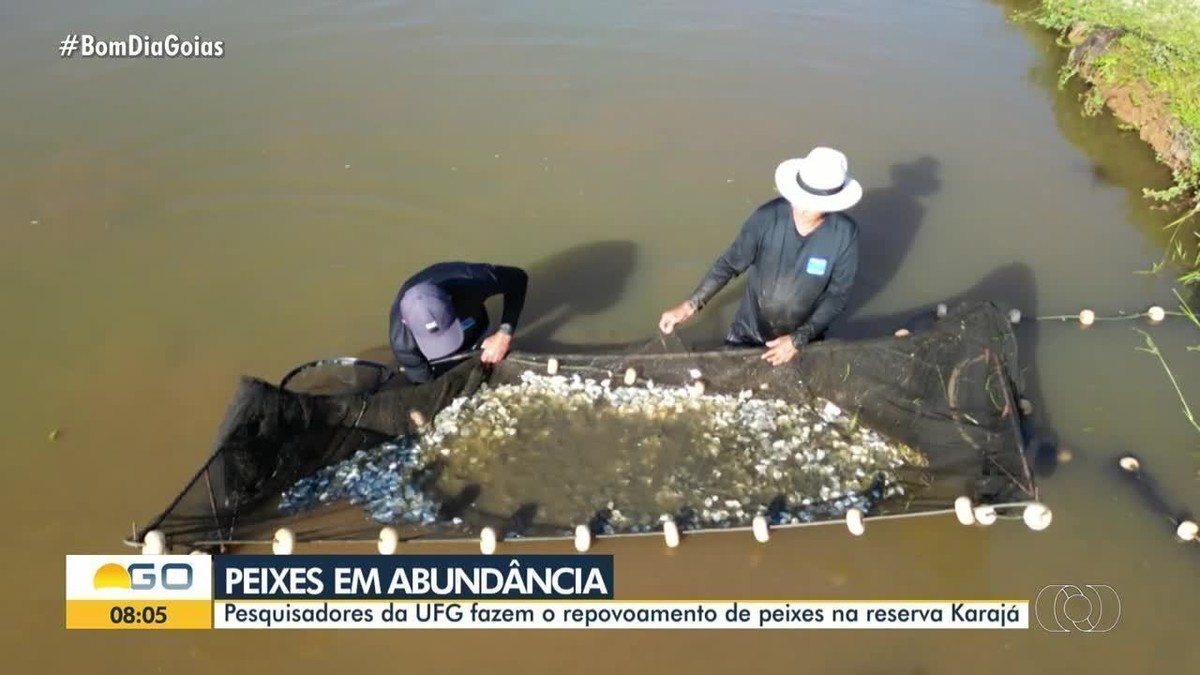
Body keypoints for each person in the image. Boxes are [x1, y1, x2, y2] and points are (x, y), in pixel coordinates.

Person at [658, 146, 862, 366]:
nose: (801, 207)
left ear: (830, 205)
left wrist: (798, 339)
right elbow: (729, 265)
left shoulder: (845, 234)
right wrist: (690, 306)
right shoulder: (766, 219)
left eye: (813, 203)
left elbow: (838, 295)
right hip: (749, 329)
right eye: (799, 197)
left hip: (804, 335)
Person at [389, 261, 529, 384]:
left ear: (449, 299)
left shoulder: (476, 280)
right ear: (404, 322)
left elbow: (519, 279)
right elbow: (423, 381)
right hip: (436, 359)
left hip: (476, 328)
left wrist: (504, 334)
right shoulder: (402, 343)